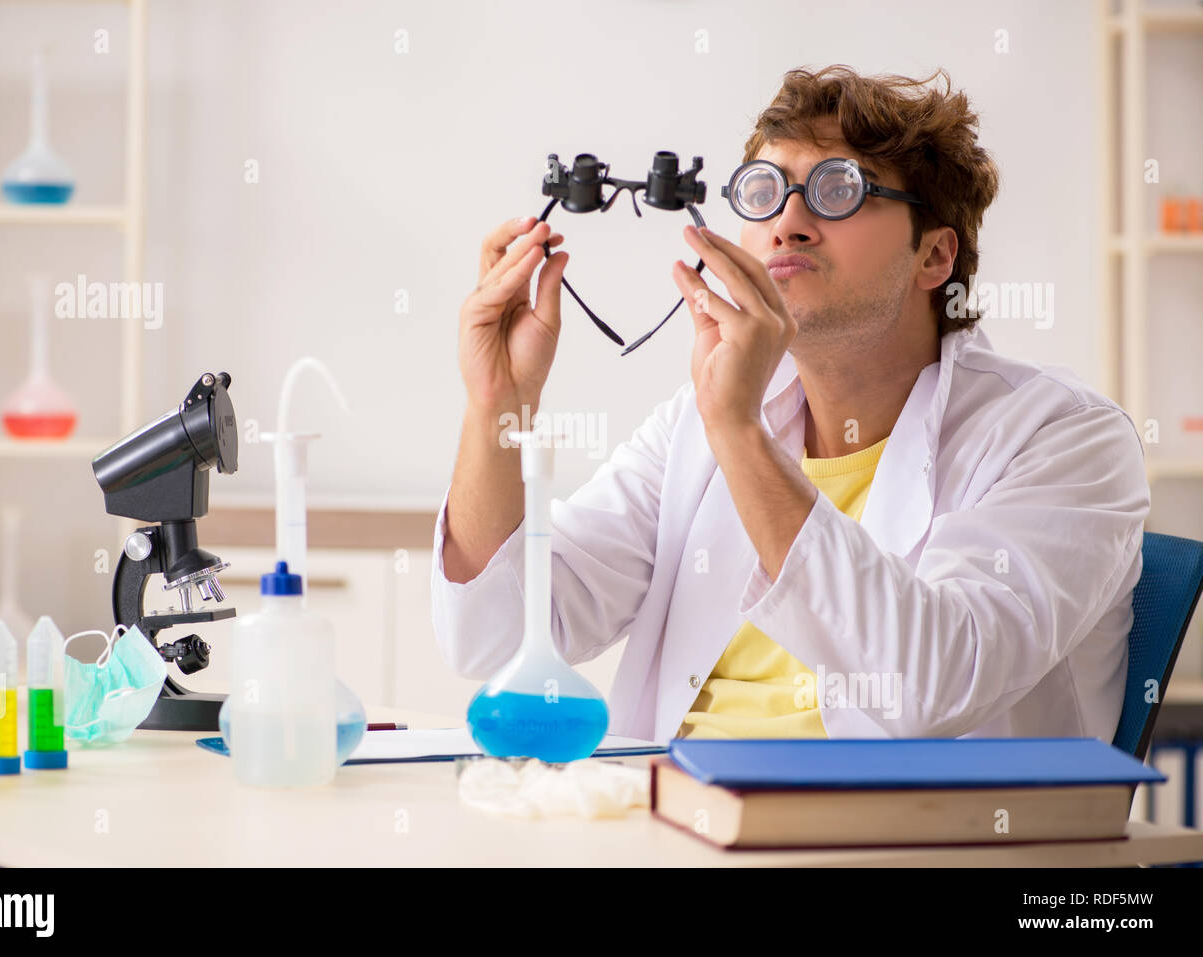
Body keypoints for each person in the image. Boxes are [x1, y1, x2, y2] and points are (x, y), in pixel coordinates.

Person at [431, 64, 1150, 743]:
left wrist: (740, 435)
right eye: (765, 191)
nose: (789, 222)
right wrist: (497, 403)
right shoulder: (698, 422)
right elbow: (493, 633)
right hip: (676, 818)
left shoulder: (1065, 437)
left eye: (841, 191)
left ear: (933, 257)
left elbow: (933, 683)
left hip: (906, 839)